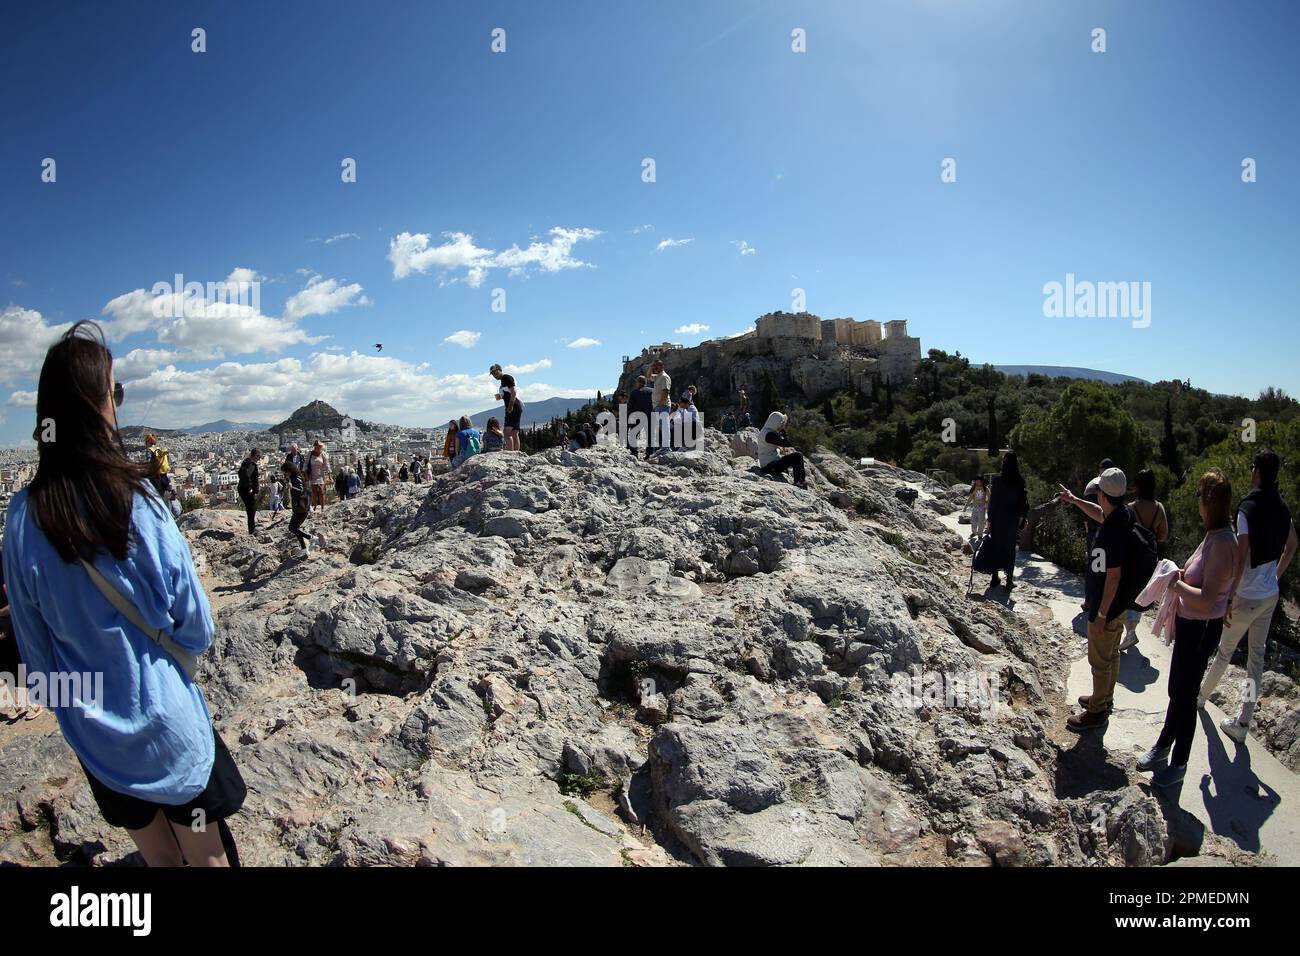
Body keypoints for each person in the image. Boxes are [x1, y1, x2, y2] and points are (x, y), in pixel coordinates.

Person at [3, 321, 242, 865]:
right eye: (115, 392)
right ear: (96, 406)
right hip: (167, 727)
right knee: (204, 853)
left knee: (158, 858)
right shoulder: (137, 503)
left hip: (98, 741)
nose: (119, 402)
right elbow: (197, 628)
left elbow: (35, 657)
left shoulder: (21, 518)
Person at [1136, 470, 1237, 789]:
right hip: (1192, 626)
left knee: (1184, 695)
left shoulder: (1222, 543)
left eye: (1199, 497)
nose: (1197, 504)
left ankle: (1178, 762)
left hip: (1201, 629)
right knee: (1177, 691)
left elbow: (1209, 599)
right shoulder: (1215, 534)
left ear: (1209, 502)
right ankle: (1163, 747)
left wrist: (1176, 586)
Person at [1199, 448, 1297, 743]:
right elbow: (1292, 546)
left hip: (1245, 595)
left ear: (1256, 471)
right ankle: (1242, 722)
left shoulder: (1247, 507)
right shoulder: (1282, 507)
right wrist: (1276, 576)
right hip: (1269, 595)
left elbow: (1241, 555)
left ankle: (1200, 697)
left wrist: (1229, 597)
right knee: (1256, 659)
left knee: (1225, 652)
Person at [1058, 467, 1132, 731]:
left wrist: (1101, 614)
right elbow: (1099, 514)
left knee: (1099, 661)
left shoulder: (1112, 531)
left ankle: (1096, 712)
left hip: (1107, 604)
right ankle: (1104, 698)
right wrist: (1075, 500)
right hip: (1119, 603)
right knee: (1111, 654)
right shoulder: (1121, 514)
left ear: (1102, 493)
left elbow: (1112, 576)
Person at [1121, 468, 1170, 651]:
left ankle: (1130, 631)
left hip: (1131, 557)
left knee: (1126, 592)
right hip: (1149, 557)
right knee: (1141, 594)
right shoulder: (1159, 508)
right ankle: (1132, 630)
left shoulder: (1131, 508)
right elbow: (1164, 535)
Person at [0, 549, 43, 721]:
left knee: (17, 659)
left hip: (7, 616)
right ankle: (17, 701)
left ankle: (34, 701)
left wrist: (10, 607)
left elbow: (7, 586)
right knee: (4, 662)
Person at [986, 452, 1028, 592]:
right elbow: (1023, 503)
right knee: (1010, 550)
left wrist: (990, 519)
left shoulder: (997, 481)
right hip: (1012, 520)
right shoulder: (1020, 481)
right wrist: (1022, 519)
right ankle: (1009, 581)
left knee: (996, 547)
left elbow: (993, 502)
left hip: (998, 519)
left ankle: (994, 578)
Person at [756, 411, 808, 489]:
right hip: (769, 466)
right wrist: (783, 431)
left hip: (770, 464)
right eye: (781, 423)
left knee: (797, 456)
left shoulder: (767, 431)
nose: (781, 425)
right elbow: (787, 444)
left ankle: (801, 481)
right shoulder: (769, 435)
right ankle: (798, 482)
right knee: (797, 456)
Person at [490, 364, 524, 451]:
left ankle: (510, 454)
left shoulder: (506, 378)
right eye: (493, 374)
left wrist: (510, 405)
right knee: (514, 433)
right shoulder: (503, 381)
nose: (494, 375)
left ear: (500, 370)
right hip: (516, 406)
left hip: (513, 406)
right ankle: (516, 453)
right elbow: (509, 392)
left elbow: (513, 391)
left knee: (506, 433)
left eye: (495, 372)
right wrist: (500, 397)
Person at [282, 462, 311, 557]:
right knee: (295, 528)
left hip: (300, 507)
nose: (285, 474)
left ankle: (310, 537)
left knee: (292, 528)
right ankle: (304, 549)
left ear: (289, 471)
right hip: (299, 507)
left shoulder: (296, 478)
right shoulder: (295, 477)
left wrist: (292, 487)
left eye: (285, 472)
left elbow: (301, 491)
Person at [649, 359, 672, 456]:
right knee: (662, 427)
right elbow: (649, 376)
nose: (655, 368)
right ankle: (664, 447)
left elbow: (665, 391)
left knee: (665, 426)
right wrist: (651, 367)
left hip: (662, 405)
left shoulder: (664, 377)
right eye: (654, 366)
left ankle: (666, 447)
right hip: (659, 406)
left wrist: (660, 404)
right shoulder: (658, 376)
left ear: (662, 366)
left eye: (657, 366)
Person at [628, 376, 654, 457]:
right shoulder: (652, 391)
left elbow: (630, 406)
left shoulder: (634, 392)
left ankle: (634, 453)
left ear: (638, 382)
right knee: (650, 435)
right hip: (649, 414)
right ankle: (649, 454)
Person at [237, 448, 260, 535]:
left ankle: (252, 528)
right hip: (246, 490)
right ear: (254, 456)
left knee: (251, 509)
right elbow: (246, 476)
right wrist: (250, 487)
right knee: (251, 509)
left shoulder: (246, 462)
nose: (259, 459)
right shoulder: (250, 464)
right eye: (258, 457)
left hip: (243, 488)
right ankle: (252, 530)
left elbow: (242, 474)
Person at [143, 433, 172, 497]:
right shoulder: (159, 449)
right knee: (162, 493)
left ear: (147, 442)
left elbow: (148, 463)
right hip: (163, 474)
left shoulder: (149, 450)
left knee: (156, 494)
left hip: (155, 476)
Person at [307, 441, 329, 512]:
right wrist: (305, 473)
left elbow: (327, 464)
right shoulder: (310, 454)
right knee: (314, 492)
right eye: (318, 447)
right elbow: (306, 463)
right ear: (315, 447)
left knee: (322, 492)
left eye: (320, 447)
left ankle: (323, 507)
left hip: (321, 474)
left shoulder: (323, 454)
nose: (319, 448)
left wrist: (329, 475)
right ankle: (315, 506)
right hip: (313, 474)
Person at [968, 475, 989, 539]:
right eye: (976, 481)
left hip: (982, 508)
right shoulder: (974, 488)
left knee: (981, 522)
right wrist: (965, 506)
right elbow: (970, 497)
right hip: (975, 507)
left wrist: (986, 505)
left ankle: (980, 535)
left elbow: (990, 498)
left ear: (982, 482)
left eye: (978, 481)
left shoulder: (986, 488)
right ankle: (974, 532)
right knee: (973, 521)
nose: (977, 482)